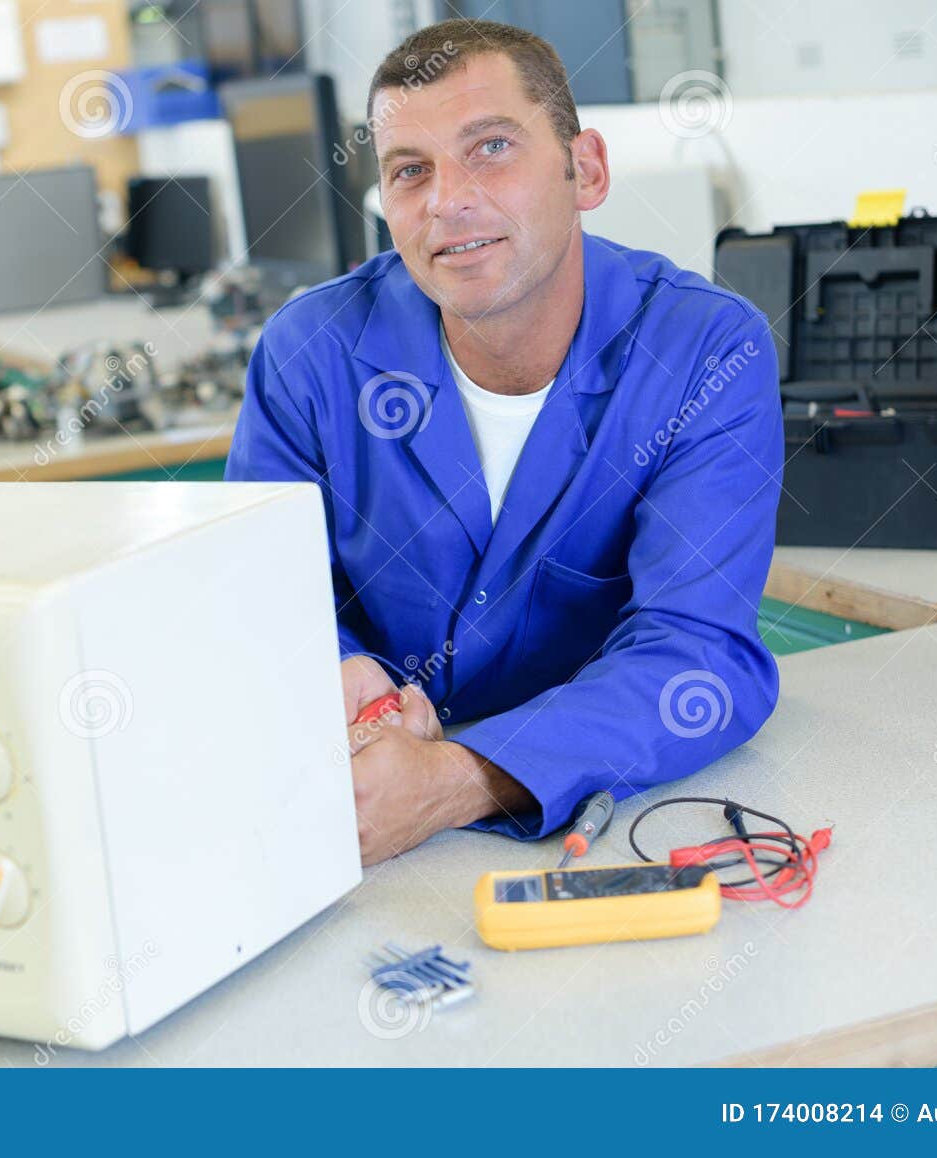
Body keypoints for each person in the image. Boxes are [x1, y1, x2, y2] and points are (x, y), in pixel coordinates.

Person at [225, 20, 783, 865]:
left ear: (584, 168)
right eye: (410, 170)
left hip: (592, 827)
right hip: (358, 809)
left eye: (490, 148)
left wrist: (456, 779)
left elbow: (700, 656)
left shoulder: (704, 352)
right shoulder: (309, 355)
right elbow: (251, 598)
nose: (447, 199)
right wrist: (335, 673)